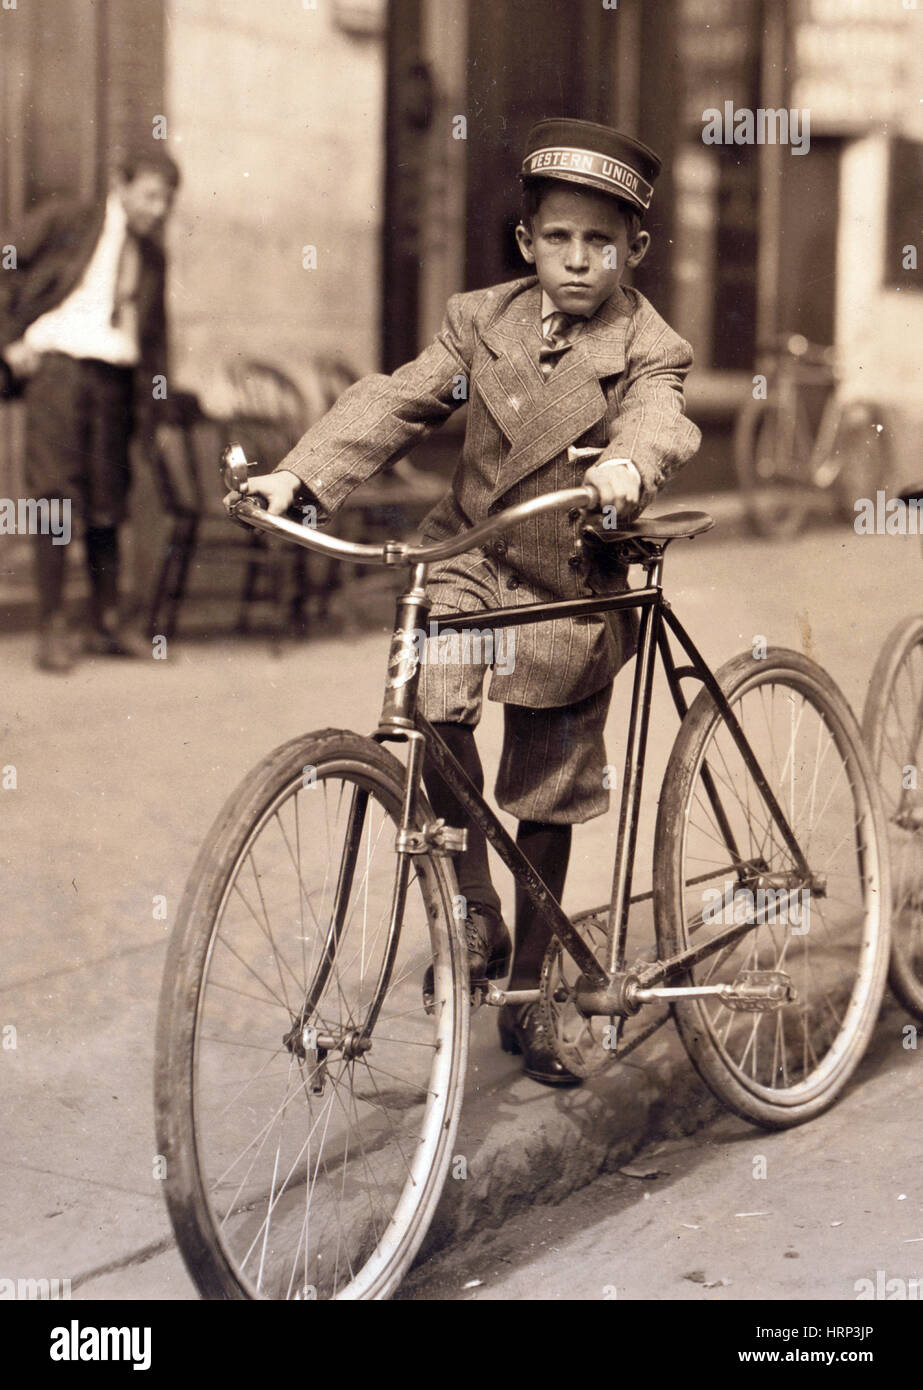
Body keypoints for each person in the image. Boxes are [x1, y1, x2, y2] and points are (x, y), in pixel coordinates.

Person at [232, 118, 701, 1085]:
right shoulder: (478, 320)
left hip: (574, 580)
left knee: (546, 786)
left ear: (634, 251)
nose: (579, 261)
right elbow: (399, 399)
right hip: (472, 558)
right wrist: (299, 477)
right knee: (432, 703)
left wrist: (626, 462)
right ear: (526, 243)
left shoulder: (647, 343)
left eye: (602, 243)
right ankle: (473, 902)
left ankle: (531, 994)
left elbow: (661, 416)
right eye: (559, 239)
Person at [0, 149, 180, 672]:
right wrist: (8, 340)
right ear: (120, 184)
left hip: (116, 382)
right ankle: (53, 626)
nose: (159, 208)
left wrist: (157, 411)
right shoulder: (70, 220)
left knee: (109, 499)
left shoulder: (152, 256)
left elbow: (156, 337)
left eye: (167, 199)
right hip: (59, 373)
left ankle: (105, 623)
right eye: (150, 195)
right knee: (55, 494)